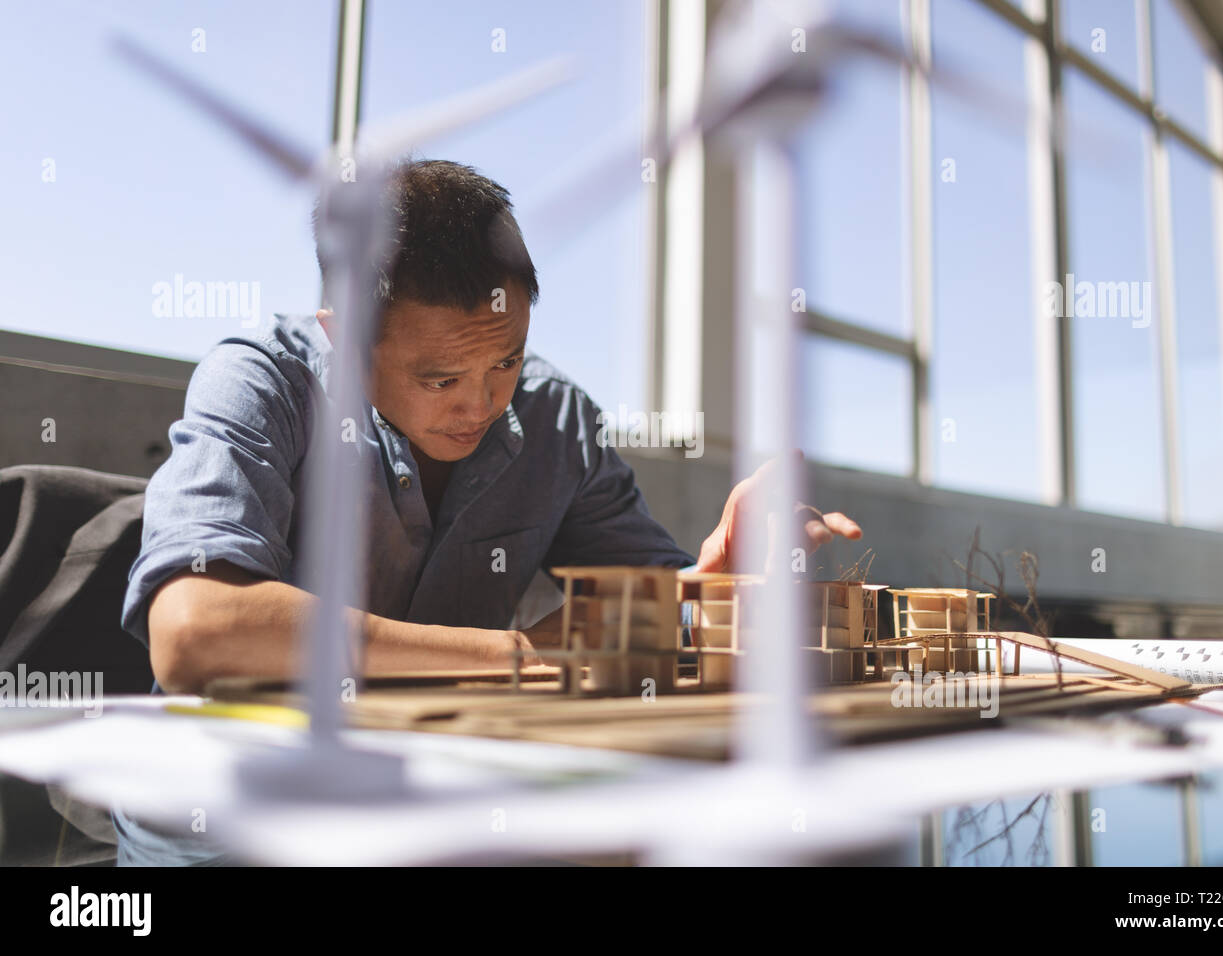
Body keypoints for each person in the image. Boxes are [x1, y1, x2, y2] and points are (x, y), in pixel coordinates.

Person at [113, 159, 861, 864]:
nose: (482, 405)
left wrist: (719, 578)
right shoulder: (259, 381)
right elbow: (195, 631)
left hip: (431, 805)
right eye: (440, 379)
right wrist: (517, 655)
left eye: (506, 359)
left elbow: (655, 612)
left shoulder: (556, 419)